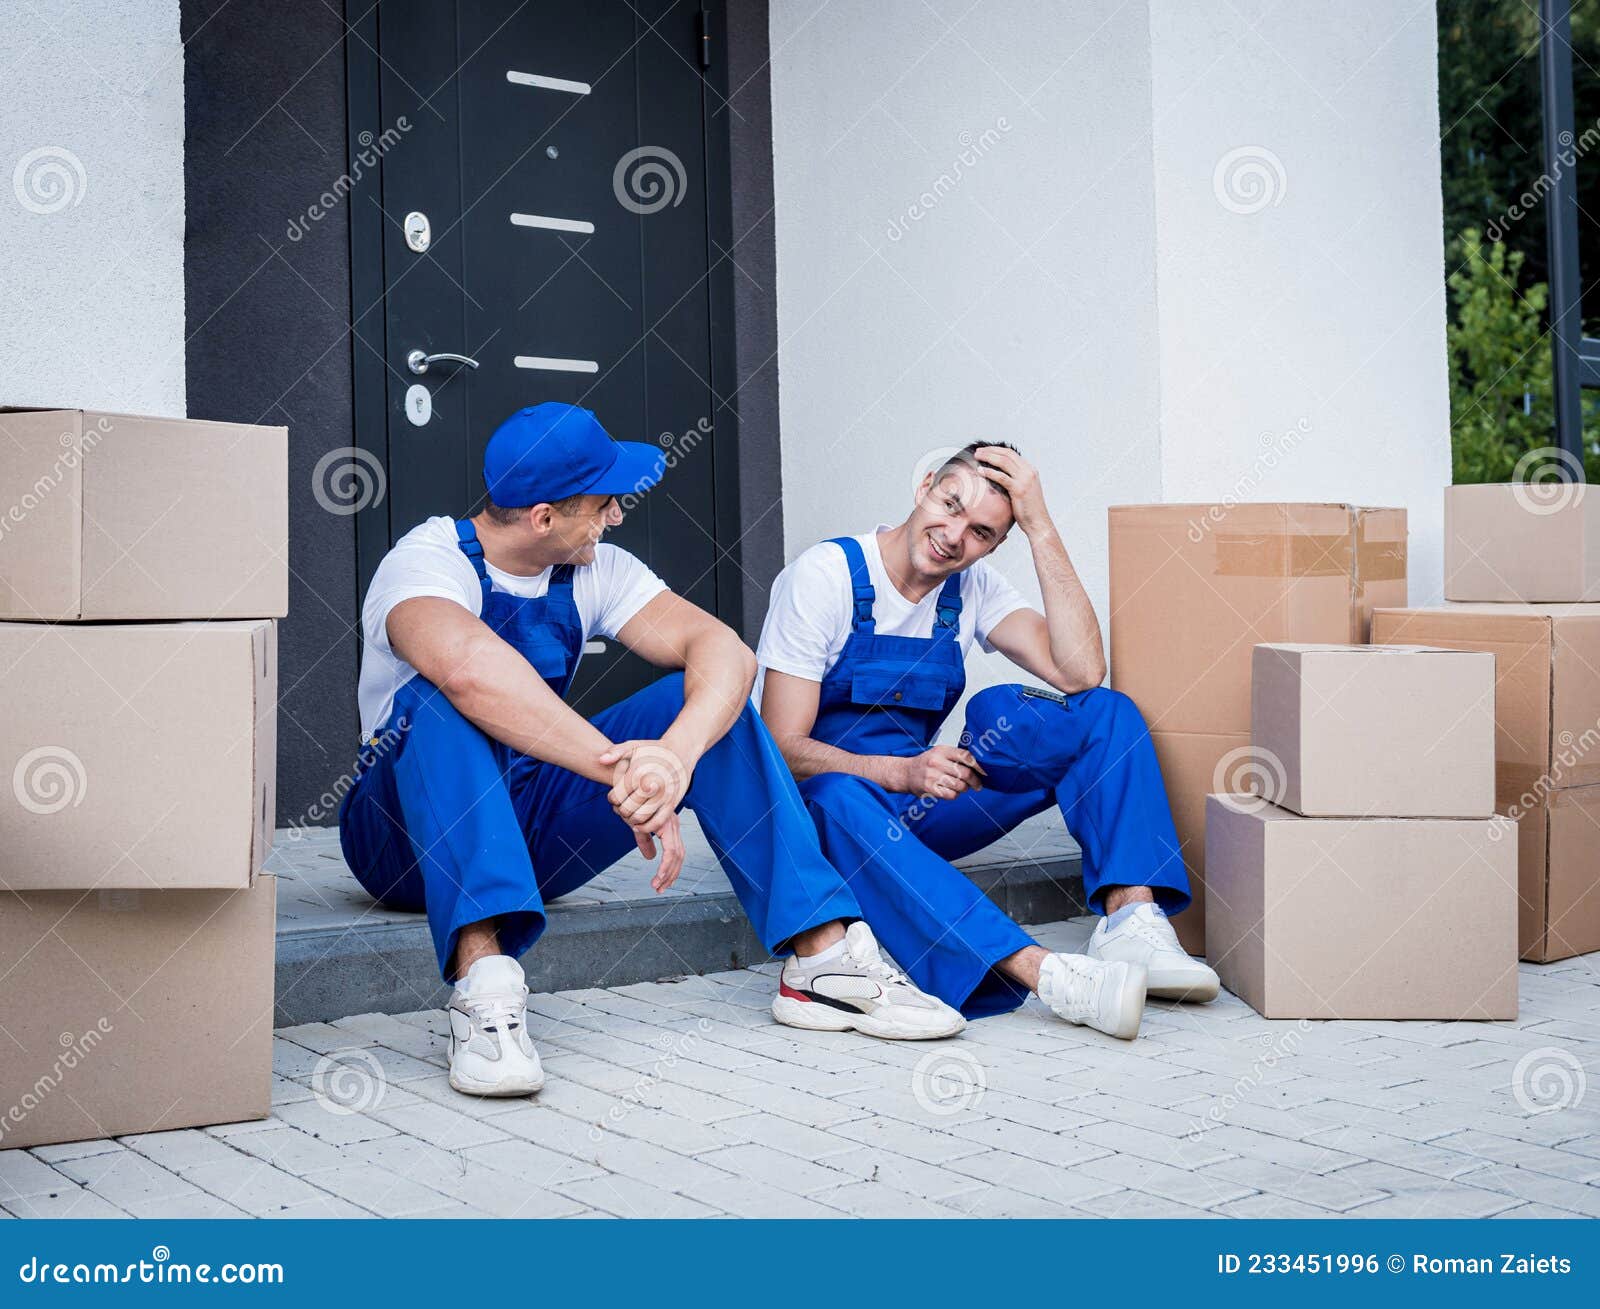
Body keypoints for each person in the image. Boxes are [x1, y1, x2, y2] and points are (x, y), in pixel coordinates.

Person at [339, 403, 965, 1098]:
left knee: (700, 701)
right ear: (543, 517)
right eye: (602, 503)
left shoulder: (595, 568)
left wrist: (673, 758)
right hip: (399, 841)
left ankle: (822, 959)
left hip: (526, 825)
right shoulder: (425, 562)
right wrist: (621, 769)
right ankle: (484, 986)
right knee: (437, 697)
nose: (616, 515)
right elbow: (468, 669)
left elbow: (724, 650)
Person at [756, 442, 1219, 1041]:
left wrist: (1041, 525)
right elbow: (781, 747)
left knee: (1104, 714)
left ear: (997, 544)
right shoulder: (827, 575)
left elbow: (1082, 672)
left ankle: (1131, 920)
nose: (953, 537)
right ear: (925, 485)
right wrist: (898, 772)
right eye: (950, 505)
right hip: (820, 816)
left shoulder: (972, 586)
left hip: (913, 803)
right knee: (835, 797)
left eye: (980, 532)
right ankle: (1045, 975)